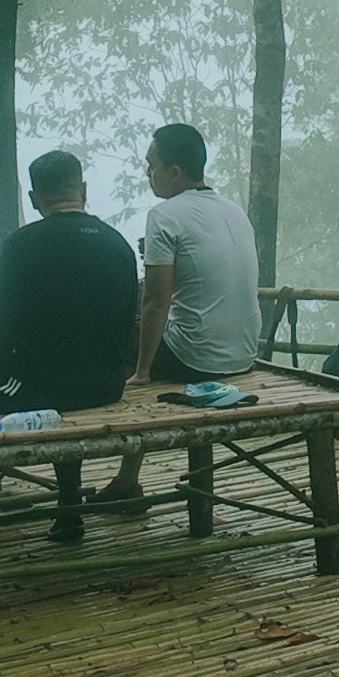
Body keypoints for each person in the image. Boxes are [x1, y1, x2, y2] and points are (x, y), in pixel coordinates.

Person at [0, 149, 141, 557]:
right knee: (62, 400)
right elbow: (129, 324)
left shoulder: (22, 245)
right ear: (83, 190)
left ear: (34, 198)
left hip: (32, 385)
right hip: (106, 387)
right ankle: (68, 510)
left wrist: (8, 365)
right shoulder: (117, 244)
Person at [94, 118, 262, 510]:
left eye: (151, 165)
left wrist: (142, 371)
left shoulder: (165, 215)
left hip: (196, 356)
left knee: (113, 343)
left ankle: (95, 464)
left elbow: (155, 301)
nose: (147, 173)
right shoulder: (233, 209)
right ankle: (126, 480)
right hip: (243, 350)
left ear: (173, 172)